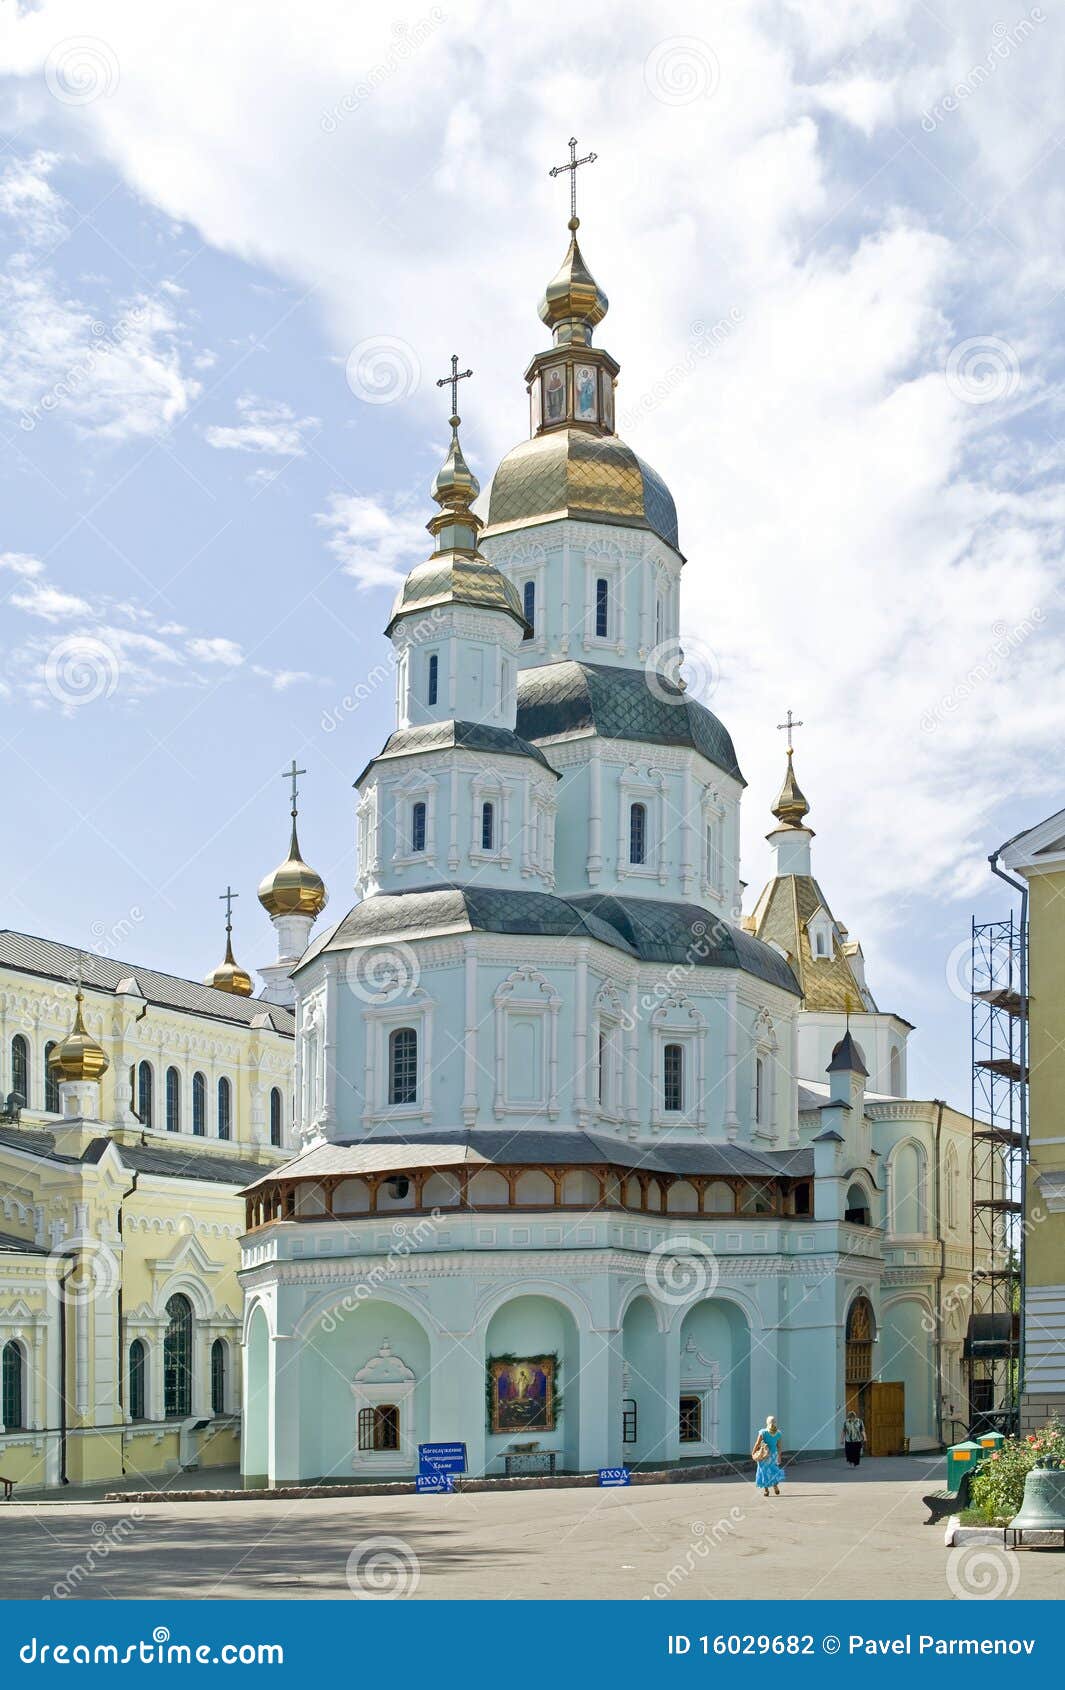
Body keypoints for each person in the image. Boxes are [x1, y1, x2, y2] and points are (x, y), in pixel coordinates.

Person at [752, 1414, 786, 1497]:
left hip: (764, 1455)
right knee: (772, 1471)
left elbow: (757, 1444)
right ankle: (775, 1487)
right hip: (773, 1455)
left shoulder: (763, 1432)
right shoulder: (778, 1433)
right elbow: (779, 1446)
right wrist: (779, 1456)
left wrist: (753, 1452)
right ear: (775, 1422)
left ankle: (766, 1490)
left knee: (763, 1472)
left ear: (767, 1422)